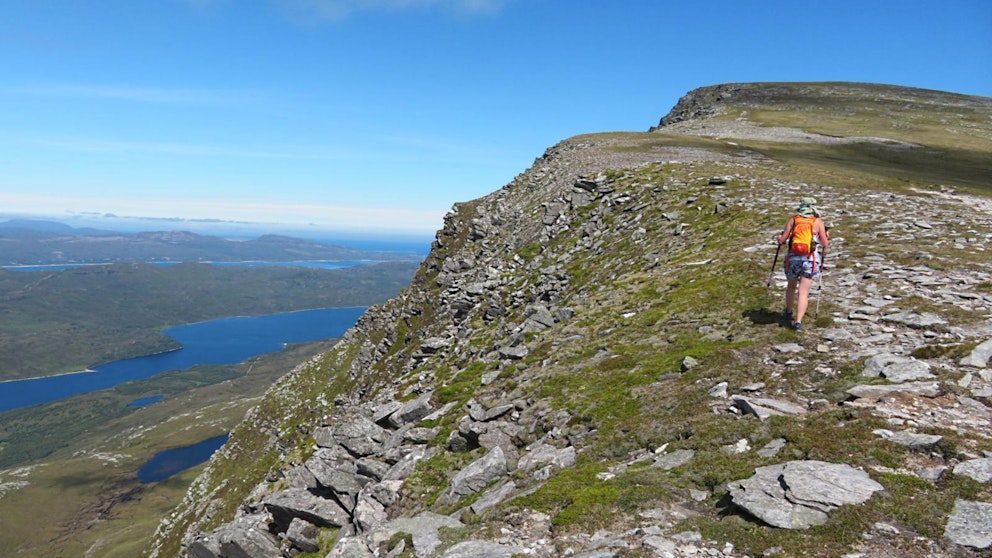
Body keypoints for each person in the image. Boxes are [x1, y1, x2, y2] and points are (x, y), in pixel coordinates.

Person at [776, 197, 829, 331]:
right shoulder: (817, 222)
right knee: (803, 292)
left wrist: (779, 238)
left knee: (791, 287)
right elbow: (825, 244)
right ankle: (798, 322)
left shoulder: (794, 220)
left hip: (793, 259)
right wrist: (826, 235)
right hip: (810, 260)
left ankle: (788, 312)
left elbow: (783, 240)